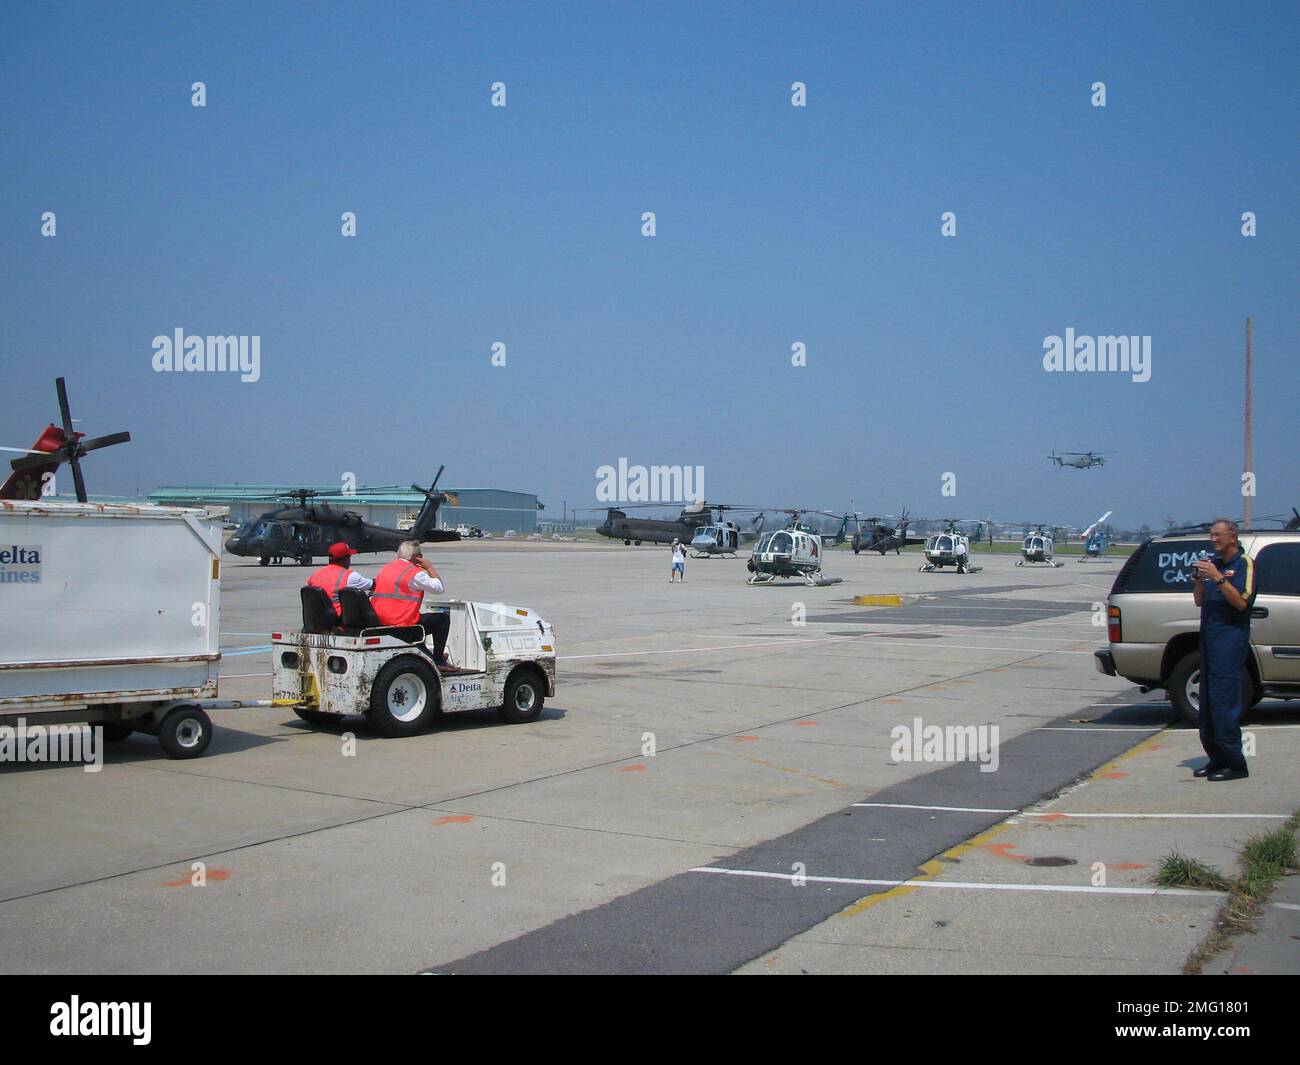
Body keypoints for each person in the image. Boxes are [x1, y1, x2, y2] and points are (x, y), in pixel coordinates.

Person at [1191, 518, 1256, 781]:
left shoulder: (1244, 564)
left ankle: (1235, 763)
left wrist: (1219, 579)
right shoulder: (1213, 565)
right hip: (1209, 640)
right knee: (1206, 704)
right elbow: (1198, 601)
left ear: (1232, 537)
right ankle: (1216, 758)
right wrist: (1198, 580)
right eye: (1211, 535)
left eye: (1218, 535)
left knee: (1223, 702)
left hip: (1229, 642)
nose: (1214, 540)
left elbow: (1241, 603)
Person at [371, 540, 452, 663]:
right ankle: (438, 660)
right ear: (416, 557)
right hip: (403, 626)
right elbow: (438, 588)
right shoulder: (415, 573)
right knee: (443, 619)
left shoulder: (386, 568)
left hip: (380, 623)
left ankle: (428, 657)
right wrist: (429, 567)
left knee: (419, 622)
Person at [305, 542, 374, 618]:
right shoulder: (350, 576)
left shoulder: (314, 575)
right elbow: (373, 584)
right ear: (345, 558)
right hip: (338, 619)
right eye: (349, 556)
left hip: (317, 619)